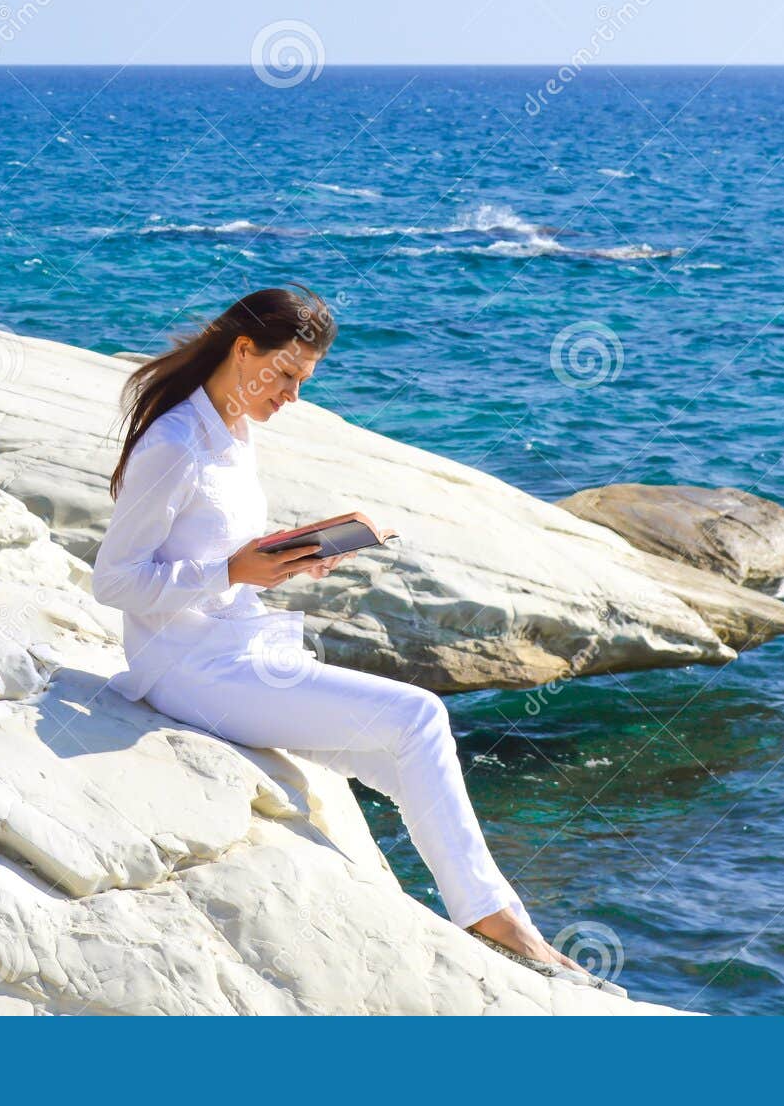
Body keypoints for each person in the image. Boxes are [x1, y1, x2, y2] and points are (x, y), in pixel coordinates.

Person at [92, 285, 585, 975]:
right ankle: (498, 924)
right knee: (419, 716)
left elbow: (206, 549)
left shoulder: (234, 431)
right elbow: (113, 581)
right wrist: (234, 570)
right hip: (184, 665)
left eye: (303, 381)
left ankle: (500, 920)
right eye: (287, 375)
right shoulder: (176, 443)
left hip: (236, 646)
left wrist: (285, 558)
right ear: (243, 351)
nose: (292, 396)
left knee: (404, 760)